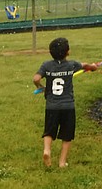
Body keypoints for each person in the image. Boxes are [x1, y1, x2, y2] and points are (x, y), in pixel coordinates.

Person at [33, 37, 97, 168]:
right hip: (68, 106)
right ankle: (62, 162)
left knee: (49, 131)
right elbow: (85, 65)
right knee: (67, 136)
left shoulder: (46, 65)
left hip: (51, 106)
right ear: (67, 52)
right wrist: (93, 67)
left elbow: (36, 78)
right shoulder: (71, 65)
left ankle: (47, 150)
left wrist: (41, 87)